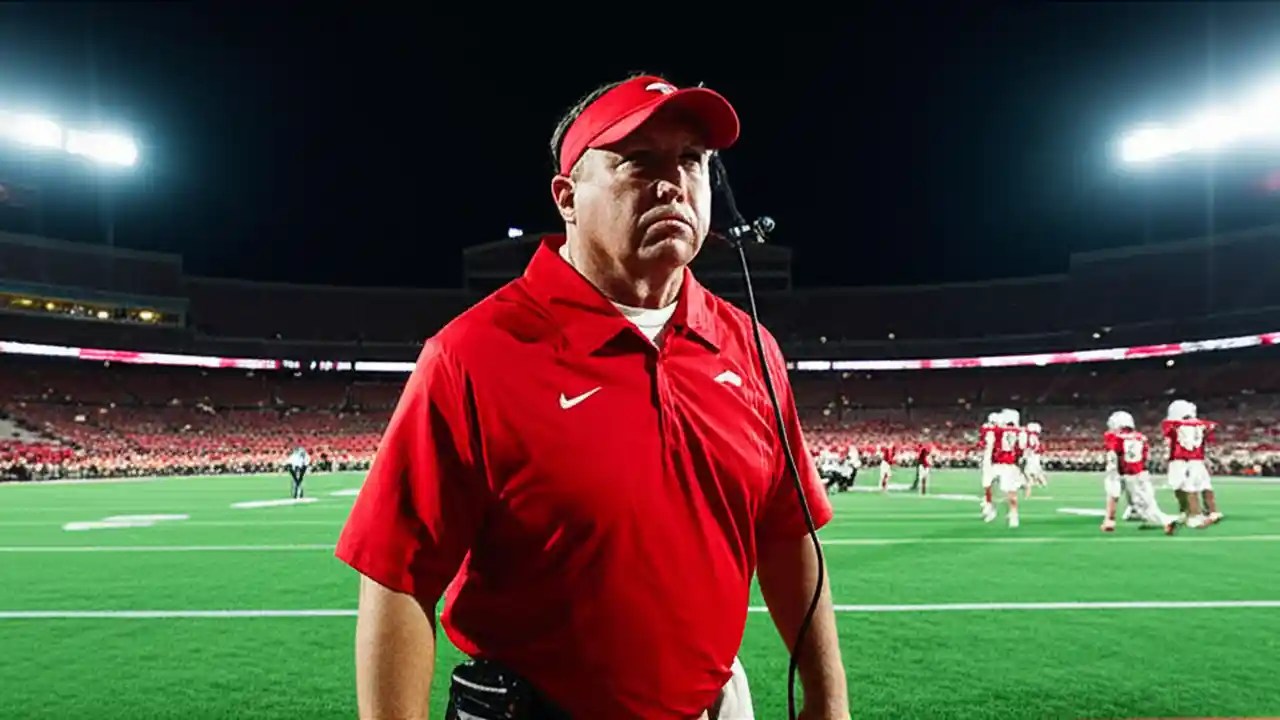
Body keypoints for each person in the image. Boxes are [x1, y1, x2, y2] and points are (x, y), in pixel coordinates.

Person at [335, 73, 848, 720]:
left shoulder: (750, 347)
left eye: (691, 159)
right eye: (639, 161)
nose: (673, 182)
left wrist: (828, 700)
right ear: (567, 197)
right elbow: (398, 576)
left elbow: (785, 534)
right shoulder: (473, 354)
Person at [1100, 411, 1176, 534]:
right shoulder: (1141, 437)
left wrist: (1110, 518)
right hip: (1140, 473)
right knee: (1145, 501)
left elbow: (1113, 457)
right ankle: (1134, 511)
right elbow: (1144, 457)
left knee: (1115, 492)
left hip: (1124, 472)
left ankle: (1166, 521)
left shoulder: (1114, 437)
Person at [1162, 399, 1220, 527]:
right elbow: (1211, 426)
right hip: (1197, 459)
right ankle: (1211, 511)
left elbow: (1169, 431)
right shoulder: (1202, 424)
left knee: (1185, 487)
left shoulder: (1173, 424)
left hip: (1181, 460)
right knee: (1203, 485)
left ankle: (1194, 515)